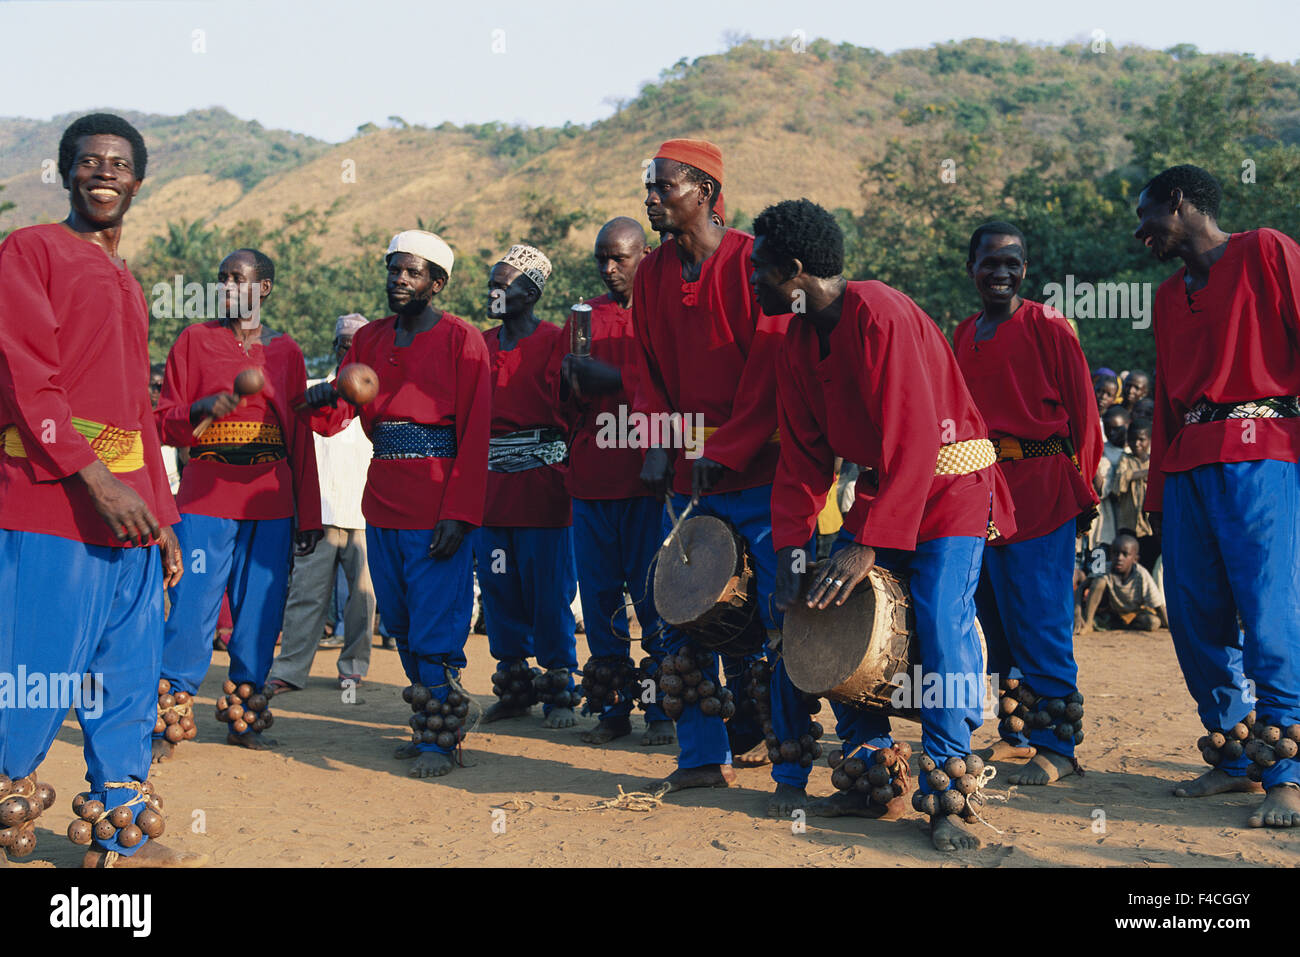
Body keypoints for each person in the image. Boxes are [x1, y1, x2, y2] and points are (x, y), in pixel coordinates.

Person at [758, 199, 1016, 852]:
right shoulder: (795, 341)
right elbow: (802, 457)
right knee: (826, 609)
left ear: (793, 270)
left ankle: (950, 789)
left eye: (758, 270)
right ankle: (873, 764)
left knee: (934, 615)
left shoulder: (880, 311)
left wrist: (868, 542)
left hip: (951, 484)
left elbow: (916, 431)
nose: (751, 283)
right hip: (887, 492)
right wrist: (794, 549)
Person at [0, 113, 202, 867]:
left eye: (119, 163)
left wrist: (165, 515)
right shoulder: (30, 251)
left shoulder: (127, 278)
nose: (104, 172)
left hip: (131, 513)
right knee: (35, 673)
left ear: (138, 181)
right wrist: (95, 479)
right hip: (50, 498)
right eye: (89, 161)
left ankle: (119, 828)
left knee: (125, 670)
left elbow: (139, 414)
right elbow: (28, 379)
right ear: (65, 171)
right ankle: (8, 805)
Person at [1135, 163, 1300, 827]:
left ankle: (1285, 768)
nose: (1140, 231)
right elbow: (1165, 406)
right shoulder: (1168, 296)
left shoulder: (1266, 248)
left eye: (1147, 214)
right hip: (1189, 464)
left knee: (1269, 613)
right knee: (1195, 616)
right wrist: (1154, 494)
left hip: (1266, 452)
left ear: (1178, 203)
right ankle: (1234, 756)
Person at [633, 140, 796, 801]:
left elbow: (771, 366)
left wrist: (724, 449)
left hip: (760, 470)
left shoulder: (750, 261)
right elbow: (645, 368)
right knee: (679, 611)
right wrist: (653, 437)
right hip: (688, 474)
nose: (650, 197)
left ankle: (789, 765)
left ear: (702, 190)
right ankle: (702, 755)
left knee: (775, 617)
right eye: (647, 186)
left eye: (662, 186)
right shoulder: (650, 275)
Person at [303, 231, 490, 778]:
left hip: (439, 501)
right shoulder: (370, 341)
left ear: (438, 282)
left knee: (437, 621)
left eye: (412, 272)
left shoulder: (463, 341)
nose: (400, 280)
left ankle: (443, 737)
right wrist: (321, 398)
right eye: (393, 270)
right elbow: (336, 418)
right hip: (382, 495)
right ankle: (429, 721)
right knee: (403, 622)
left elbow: (475, 435)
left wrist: (461, 512)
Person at [153, 248, 323, 759]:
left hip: (271, 497)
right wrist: (200, 409)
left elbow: (300, 435)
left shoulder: (286, 352)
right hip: (206, 494)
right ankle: (169, 719)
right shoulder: (194, 340)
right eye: (222, 277)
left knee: (261, 612)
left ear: (264, 288)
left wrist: (307, 512)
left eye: (239, 278)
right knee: (192, 604)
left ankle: (244, 716)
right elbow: (164, 420)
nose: (227, 286)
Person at [952, 222, 1102, 781]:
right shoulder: (964, 333)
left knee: (1041, 615)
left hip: (1042, 485)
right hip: (982, 487)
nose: (1001, 272)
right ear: (971, 268)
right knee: (993, 616)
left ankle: (1057, 748)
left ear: (1025, 269)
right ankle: (1017, 733)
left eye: (1012, 262)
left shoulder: (1048, 324)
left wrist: (1084, 486)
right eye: (990, 262)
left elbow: (1085, 411)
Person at [559, 217, 675, 747]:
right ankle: (610, 708)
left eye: (620, 258)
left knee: (655, 595)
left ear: (645, 254)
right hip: (593, 481)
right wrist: (573, 377)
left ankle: (660, 707)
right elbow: (568, 402)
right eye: (601, 258)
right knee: (602, 598)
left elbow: (676, 390)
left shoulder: (666, 311)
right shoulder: (584, 320)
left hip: (650, 484)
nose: (608, 269)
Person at [472, 244, 581, 729]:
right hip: (491, 489)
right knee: (499, 588)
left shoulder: (558, 339)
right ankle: (514, 686)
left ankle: (559, 687)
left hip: (544, 487)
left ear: (532, 292)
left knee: (548, 589)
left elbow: (576, 408)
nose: (495, 290)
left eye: (506, 283)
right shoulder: (479, 343)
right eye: (492, 282)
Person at [268, 314, 376, 694]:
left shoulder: (374, 396)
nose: (347, 350)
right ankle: (290, 670)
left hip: (364, 514)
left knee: (363, 601)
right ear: (334, 347)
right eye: (342, 343)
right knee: (306, 595)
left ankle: (353, 667)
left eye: (354, 344)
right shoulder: (313, 391)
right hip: (320, 512)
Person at [1078, 534, 1168, 632]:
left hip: (1133, 614)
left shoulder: (1141, 574)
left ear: (1135, 559)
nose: (1119, 558)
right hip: (1111, 612)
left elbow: (1158, 605)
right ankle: (1089, 622)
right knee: (1099, 581)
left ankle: (1120, 625)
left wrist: (1169, 626)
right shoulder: (1104, 569)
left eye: (1125, 554)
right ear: (1110, 555)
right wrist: (1077, 612)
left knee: (1153, 622)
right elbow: (1081, 588)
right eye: (1115, 553)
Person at [1110, 419, 1159, 570]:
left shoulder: (1155, 461)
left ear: (1150, 441)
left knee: (1150, 564)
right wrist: (1146, 473)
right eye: (1132, 439)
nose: (1136, 443)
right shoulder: (1125, 459)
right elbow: (1119, 483)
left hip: (1150, 527)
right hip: (1128, 525)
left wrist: (1136, 475)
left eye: (1141, 440)